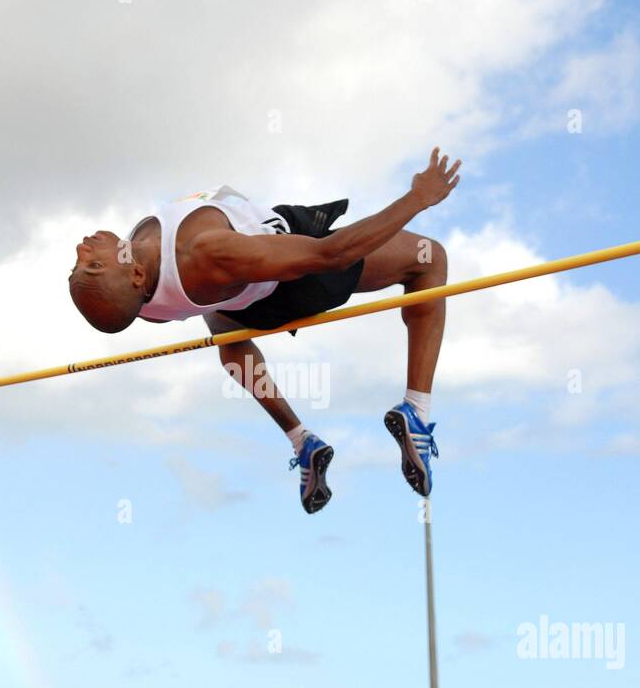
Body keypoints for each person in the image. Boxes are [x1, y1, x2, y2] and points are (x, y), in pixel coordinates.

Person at [69, 149, 461, 513]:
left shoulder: (141, 299)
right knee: (429, 259)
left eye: (80, 264)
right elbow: (332, 255)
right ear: (136, 273)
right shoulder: (206, 254)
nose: (82, 250)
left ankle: (302, 441)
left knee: (224, 329)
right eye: (93, 265)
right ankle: (416, 411)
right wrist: (418, 198)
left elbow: (168, 295)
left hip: (240, 298)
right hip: (292, 278)